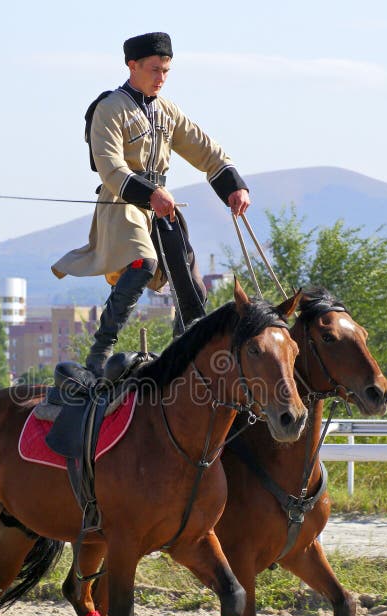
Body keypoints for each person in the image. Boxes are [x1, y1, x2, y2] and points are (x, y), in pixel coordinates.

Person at [51, 32, 251, 376]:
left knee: (191, 283)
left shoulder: (167, 111)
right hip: (123, 204)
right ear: (133, 65)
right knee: (142, 261)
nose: (161, 78)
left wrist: (233, 185)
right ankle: (100, 352)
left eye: (166, 71)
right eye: (155, 69)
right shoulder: (109, 108)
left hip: (162, 205)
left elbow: (205, 149)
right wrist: (150, 194)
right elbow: (110, 168)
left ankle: (181, 357)